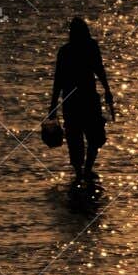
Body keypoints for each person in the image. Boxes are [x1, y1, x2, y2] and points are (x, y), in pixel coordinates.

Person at [46, 18, 115, 182]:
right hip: (86, 99)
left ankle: (80, 173)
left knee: (77, 138)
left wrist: (53, 106)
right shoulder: (90, 47)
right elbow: (99, 70)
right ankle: (86, 170)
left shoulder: (66, 51)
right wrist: (107, 90)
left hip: (72, 101)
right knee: (93, 137)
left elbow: (58, 81)